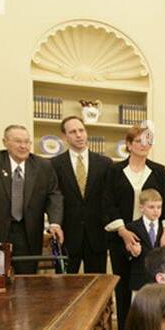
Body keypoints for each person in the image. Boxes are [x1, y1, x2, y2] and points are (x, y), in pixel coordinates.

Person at [0, 125, 63, 275]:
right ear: (5, 142)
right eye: (18, 141)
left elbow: (54, 195)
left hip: (29, 235)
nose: (23, 146)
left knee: (27, 281)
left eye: (27, 142)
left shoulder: (43, 166)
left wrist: (55, 223)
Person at [103, 123, 165, 330]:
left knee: (152, 286)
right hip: (121, 236)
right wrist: (123, 232)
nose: (144, 144)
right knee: (124, 287)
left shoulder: (159, 170)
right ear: (129, 144)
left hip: (152, 238)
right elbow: (107, 203)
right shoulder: (114, 170)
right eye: (139, 140)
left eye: (148, 141)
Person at [50, 115, 113, 274]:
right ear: (64, 136)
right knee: (63, 288)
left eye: (81, 130)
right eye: (73, 132)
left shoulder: (105, 163)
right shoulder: (53, 164)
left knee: (97, 288)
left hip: (97, 235)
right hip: (66, 236)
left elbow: (109, 199)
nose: (79, 135)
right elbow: (52, 198)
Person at [123, 189, 165, 298]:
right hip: (139, 280)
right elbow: (126, 252)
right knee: (139, 311)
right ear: (141, 208)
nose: (156, 211)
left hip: (159, 279)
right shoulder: (132, 227)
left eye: (159, 207)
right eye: (151, 207)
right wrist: (134, 252)